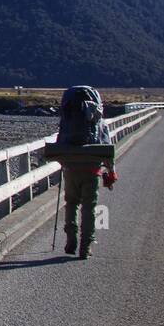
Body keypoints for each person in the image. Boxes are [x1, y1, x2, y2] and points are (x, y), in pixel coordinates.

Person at [56, 85, 115, 259]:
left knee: (71, 203)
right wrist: (111, 172)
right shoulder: (99, 121)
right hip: (92, 169)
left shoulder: (67, 119)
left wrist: (64, 162)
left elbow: (60, 143)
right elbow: (107, 148)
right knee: (89, 207)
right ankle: (86, 245)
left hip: (71, 168)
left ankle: (71, 238)